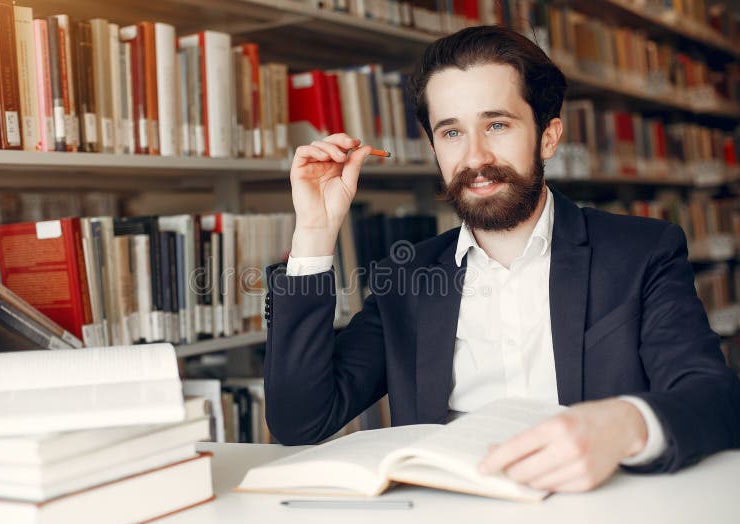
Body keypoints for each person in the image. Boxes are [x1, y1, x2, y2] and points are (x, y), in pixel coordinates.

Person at [263, 25, 740, 493]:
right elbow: (301, 420)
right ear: (434, 148)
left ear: (548, 137)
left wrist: (622, 426)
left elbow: (715, 399)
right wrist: (314, 232)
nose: (475, 156)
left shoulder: (641, 252)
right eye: (452, 133)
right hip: (450, 516)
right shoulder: (406, 277)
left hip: (595, 508)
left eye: (496, 124)